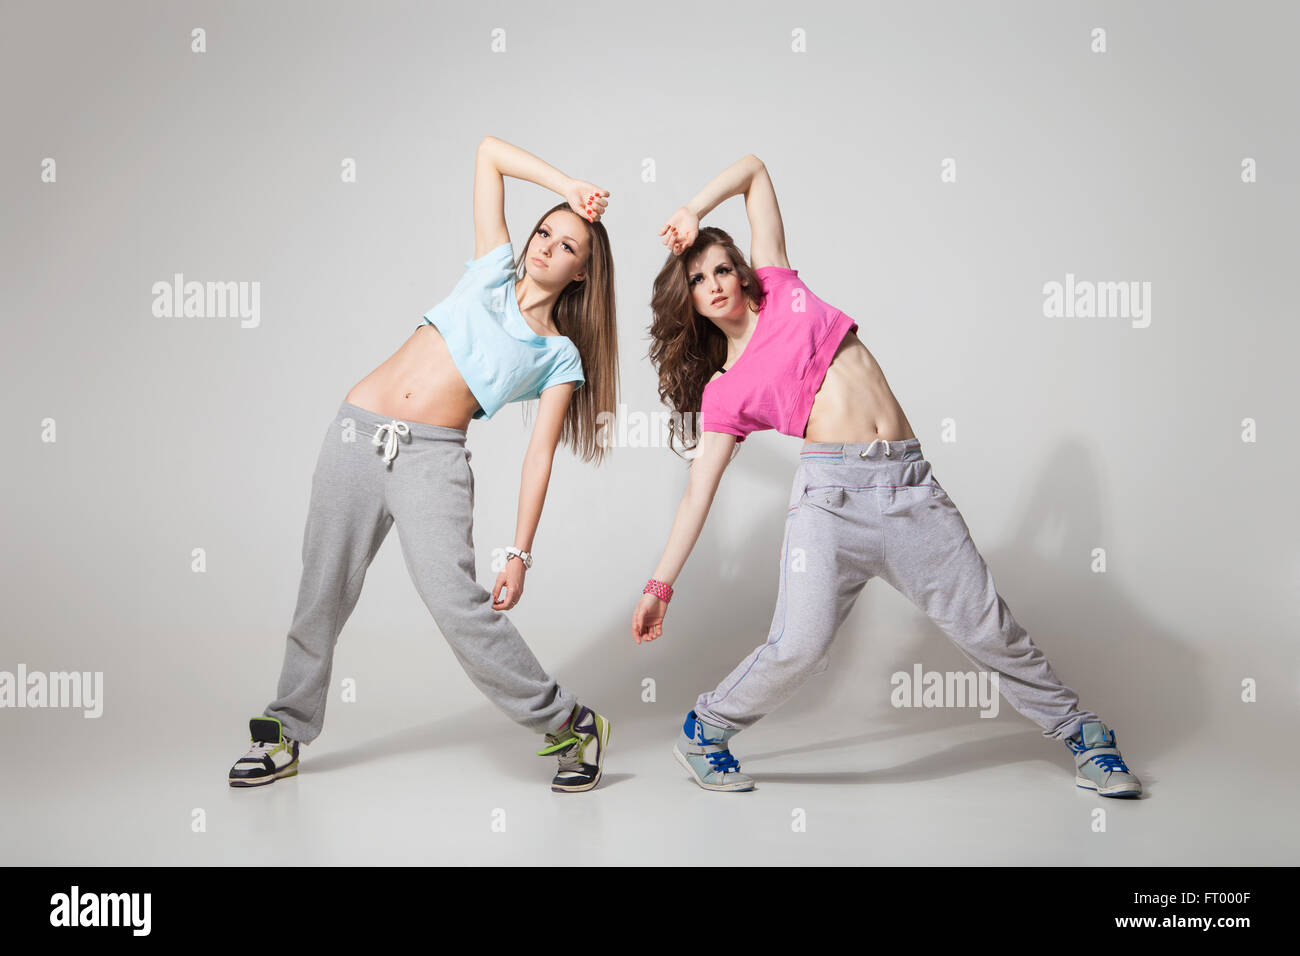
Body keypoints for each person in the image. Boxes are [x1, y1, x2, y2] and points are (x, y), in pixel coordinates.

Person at [632, 154, 1141, 798]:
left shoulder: (785, 289)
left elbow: (755, 172)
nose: (715, 282)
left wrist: (693, 211)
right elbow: (697, 495)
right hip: (830, 503)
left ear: (742, 270)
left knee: (988, 628)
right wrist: (660, 586)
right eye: (699, 279)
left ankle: (1084, 737)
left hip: (910, 489)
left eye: (722, 267)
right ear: (690, 302)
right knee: (801, 648)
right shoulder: (726, 391)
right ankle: (706, 730)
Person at [229, 136, 616, 793]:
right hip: (354, 435)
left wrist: (518, 554)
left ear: (583, 272)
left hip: (431, 462)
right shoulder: (491, 268)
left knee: (457, 606)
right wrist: (570, 182)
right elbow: (489, 152)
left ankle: (573, 724)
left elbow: (538, 457)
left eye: (567, 245)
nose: (546, 245)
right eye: (544, 231)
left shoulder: (559, 356)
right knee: (321, 590)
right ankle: (285, 732)